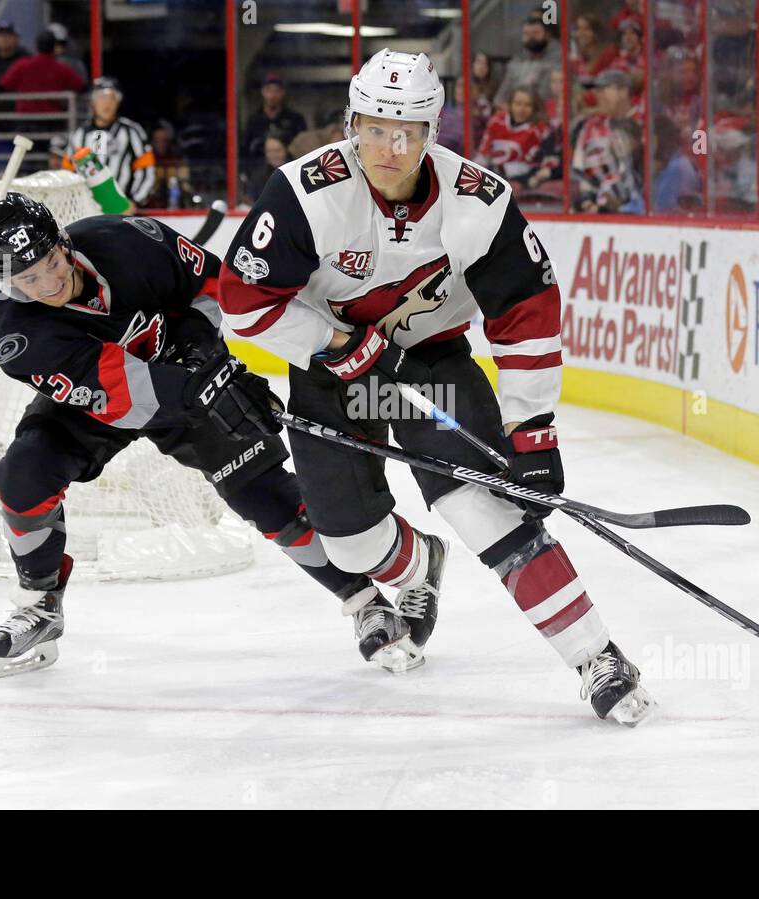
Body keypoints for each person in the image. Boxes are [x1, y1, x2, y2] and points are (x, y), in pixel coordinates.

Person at [217, 49, 655, 724]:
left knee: (488, 510)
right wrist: (331, 343)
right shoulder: (304, 192)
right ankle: (419, 562)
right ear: (350, 122)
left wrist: (531, 429)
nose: (389, 148)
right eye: (373, 127)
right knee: (350, 546)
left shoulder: (477, 201)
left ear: (432, 132)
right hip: (332, 373)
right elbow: (244, 299)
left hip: (429, 365)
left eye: (408, 132)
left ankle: (597, 656)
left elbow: (527, 317)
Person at [0, 196, 409, 676]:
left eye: (51, 262)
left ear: (62, 242)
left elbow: (215, 283)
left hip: (180, 373)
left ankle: (366, 600)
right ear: (7, 282)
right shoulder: (21, 338)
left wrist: (201, 348)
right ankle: (39, 605)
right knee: (24, 472)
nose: (50, 282)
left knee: (262, 495)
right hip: (98, 404)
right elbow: (128, 394)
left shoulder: (126, 239)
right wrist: (213, 383)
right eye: (29, 279)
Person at [65, 77, 155, 209]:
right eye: (101, 97)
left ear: (118, 102)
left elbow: (146, 170)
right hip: (86, 211)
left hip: (122, 209)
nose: (107, 103)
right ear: (93, 102)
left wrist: (135, 201)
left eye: (112, 97)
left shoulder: (131, 131)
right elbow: (68, 173)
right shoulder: (79, 135)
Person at [571, 70, 643, 214]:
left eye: (604, 89)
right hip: (592, 205)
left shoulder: (644, 122)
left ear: (623, 91)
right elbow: (578, 171)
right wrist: (586, 200)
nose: (598, 95)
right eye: (597, 90)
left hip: (633, 207)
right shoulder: (589, 126)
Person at [474, 86, 550, 190]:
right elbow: (483, 153)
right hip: (492, 173)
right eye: (517, 104)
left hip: (519, 177)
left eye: (527, 105)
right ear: (510, 104)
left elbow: (530, 165)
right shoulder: (496, 121)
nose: (521, 109)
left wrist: (500, 170)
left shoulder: (538, 129)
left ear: (535, 108)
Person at [0, 29, 86, 117]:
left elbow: (2, 86)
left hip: (26, 120)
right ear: (53, 47)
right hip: (53, 121)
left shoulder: (21, 65)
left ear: (37, 46)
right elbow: (82, 87)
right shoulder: (61, 68)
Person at [493, 12, 562, 110]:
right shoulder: (516, 61)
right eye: (526, 34)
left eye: (536, 33)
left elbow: (545, 96)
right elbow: (499, 99)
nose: (531, 38)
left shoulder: (559, 57)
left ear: (547, 34)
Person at [241, 73, 307, 165]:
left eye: (277, 91)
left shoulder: (295, 119)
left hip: (289, 168)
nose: (272, 95)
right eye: (269, 90)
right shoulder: (254, 120)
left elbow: (304, 147)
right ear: (262, 91)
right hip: (258, 170)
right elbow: (245, 150)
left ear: (283, 92)